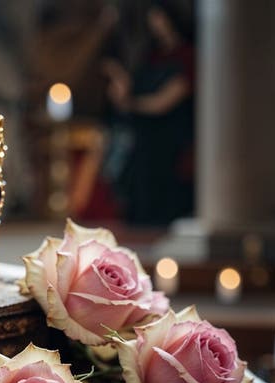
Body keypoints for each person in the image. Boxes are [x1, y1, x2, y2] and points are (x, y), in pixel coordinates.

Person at [103, 1, 194, 226]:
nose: (155, 24)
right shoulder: (152, 55)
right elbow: (133, 88)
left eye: (158, 17)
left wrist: (131, 105)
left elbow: (165, 100)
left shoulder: (187, 55)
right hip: (144, 138)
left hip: (171, 138)